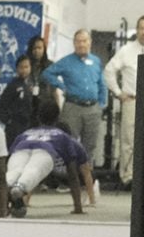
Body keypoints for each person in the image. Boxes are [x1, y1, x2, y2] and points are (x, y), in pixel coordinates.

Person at [3, 96, 96, 215]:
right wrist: (78, 208)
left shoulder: (25, 133)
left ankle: (9, 187)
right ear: (58, 118)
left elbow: (10, 156)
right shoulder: (62, 136)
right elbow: (73, 175)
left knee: (15, 172)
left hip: (21, 148)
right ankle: (20, 188)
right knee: (33, 170)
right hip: (45, 151)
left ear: (38, 117)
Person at [104, 15, 144, 186]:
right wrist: (118, 92)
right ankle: (128, 177)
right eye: (141, 28)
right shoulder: (126, 50)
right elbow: (109, 71)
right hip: (132, 100)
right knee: (129, 140)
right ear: (137, 30)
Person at [41, 28, 108, 169]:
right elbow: (47, 73)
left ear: (90, 42)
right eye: (78, 41)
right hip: (73, 107)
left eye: (84, 41)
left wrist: (102, 103)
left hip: (93, 108)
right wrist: (61, 86)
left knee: (90, 145)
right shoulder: (66, 61)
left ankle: (86, 179)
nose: (81, 44)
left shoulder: (96, 61)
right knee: (68, 143)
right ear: (74, 43)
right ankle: (67, 179)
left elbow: (102, 83)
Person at [0, 55, 39, 148]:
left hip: (29, 127)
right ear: (17, 69)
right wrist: (9, 121)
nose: (24, 70)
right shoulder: (13, 86)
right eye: (21, 67)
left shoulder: (32, 84)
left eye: (26, 67)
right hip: (15, 129)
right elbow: (0, 107)